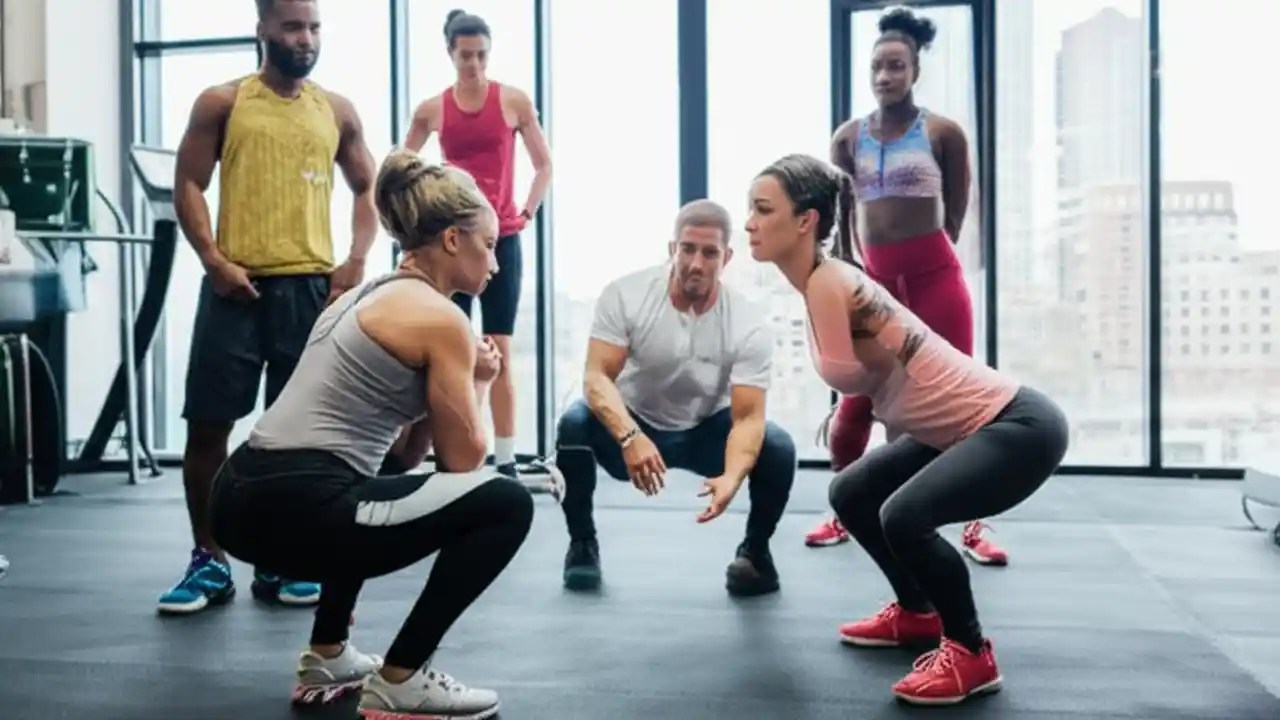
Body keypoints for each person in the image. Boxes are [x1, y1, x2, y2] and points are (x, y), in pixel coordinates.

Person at [210, 150, 532, 718]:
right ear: (453, 241)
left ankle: (329, 653)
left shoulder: (368, 294)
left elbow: (405, 455)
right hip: (295, 505)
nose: (497, 263)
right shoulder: (441, 318)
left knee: (369, 479)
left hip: (237, 495)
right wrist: (481, 382)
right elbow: (465, 466)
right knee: (506, 502)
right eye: (489, 244)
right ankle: (403, 677)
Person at [746, 153, 1068, 705]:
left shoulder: (828, 282)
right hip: (973, 427)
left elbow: (855, 370)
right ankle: (919, 612)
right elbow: (882, 362)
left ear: (806, 221)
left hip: (1016, 425)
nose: (748, 222)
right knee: (852, 491)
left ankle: (971, 653)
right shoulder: (825, 284)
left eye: (762, 208)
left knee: (904, 516)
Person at [159, 0, 380, 614]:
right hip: (237, 285)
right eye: (291, 26)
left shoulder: (335, 110)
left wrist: (357, 259)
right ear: (262, 31)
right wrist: (212, 260)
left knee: (294, 436)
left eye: (312, 27)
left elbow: (369, 189)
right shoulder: (223, 102)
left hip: (309, 291)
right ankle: (208, 559)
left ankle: (280, 560)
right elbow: (189, 183)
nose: (304, 38)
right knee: (209, 425)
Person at [803, 6, 1008, 568]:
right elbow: (842, 218)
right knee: (857, 400)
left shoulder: (942, 132)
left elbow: (959, 206)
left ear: (915, 70)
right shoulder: (848, 139)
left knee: (963, 404)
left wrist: (931, 260)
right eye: (876, 67)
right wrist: (850, 275)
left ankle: (970, 522)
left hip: (937, 282)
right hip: (877, 287)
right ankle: (845, 508)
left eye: (895, 65)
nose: (884, 76)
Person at [553, 200, 797, 596]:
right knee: (574, 424)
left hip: (706, 431)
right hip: (633, 426)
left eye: (710, 252)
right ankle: (582, 544)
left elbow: (749, 417)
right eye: (687, 249)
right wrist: (630, 437)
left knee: (778, 446)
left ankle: (755, 554)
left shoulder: (747, 321)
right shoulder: (626, 294)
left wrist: (733, 476)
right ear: (672, 249)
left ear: (727, 257)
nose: (696, 263)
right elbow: (596, 378)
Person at [404, 8, 553, 488]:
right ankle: (452, 453)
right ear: (451, 54)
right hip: (453, 245)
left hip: (501, 241)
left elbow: (544, 165)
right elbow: (400, 170)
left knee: (499, 349)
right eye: (465, 55)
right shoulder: (433, 109)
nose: (474, 64)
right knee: (449, 348)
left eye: (481, 55)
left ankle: (504, 459)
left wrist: (526, 212)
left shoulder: (512, 101)